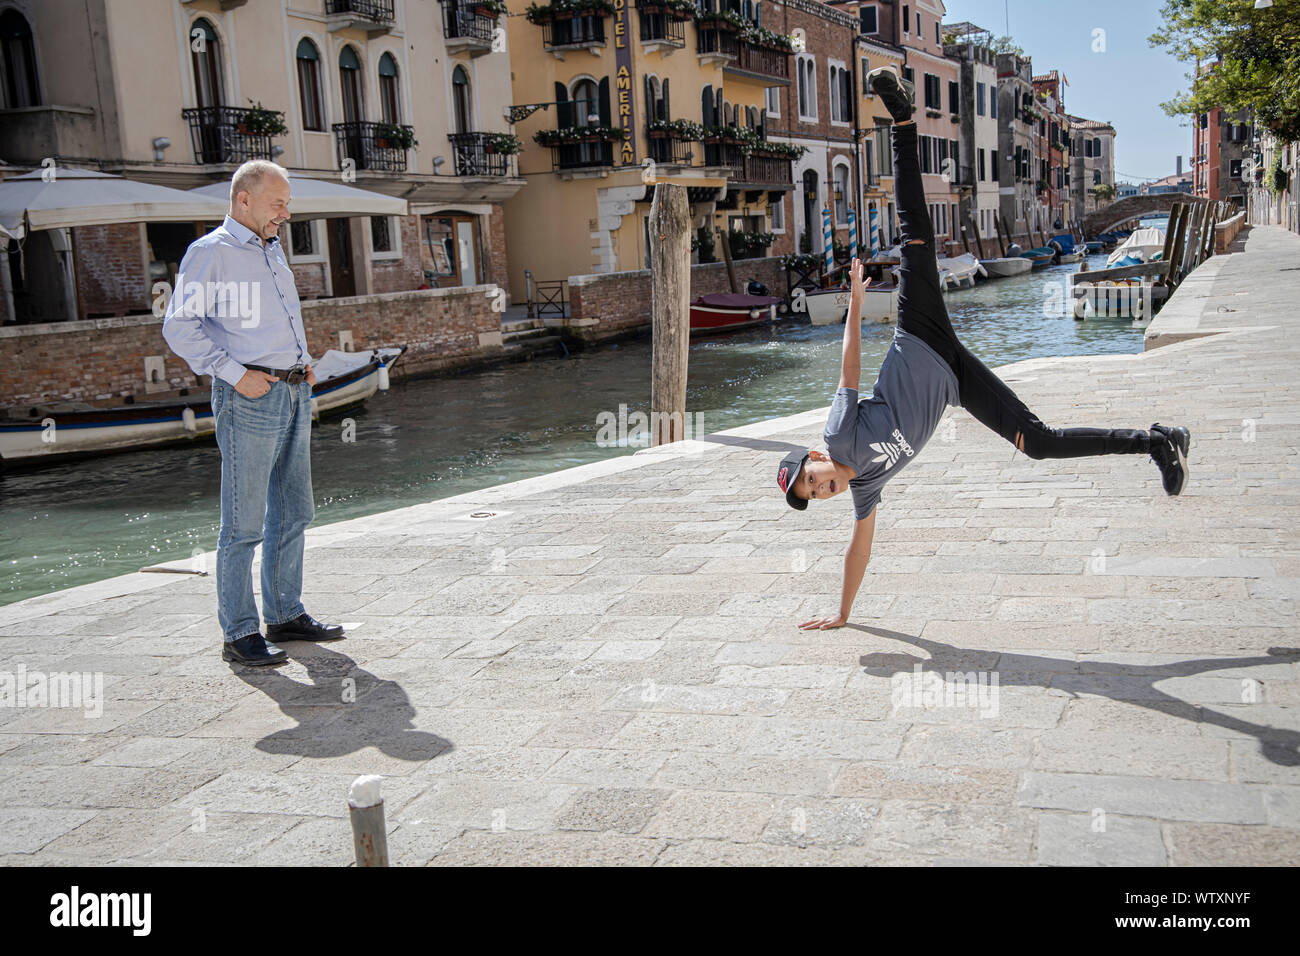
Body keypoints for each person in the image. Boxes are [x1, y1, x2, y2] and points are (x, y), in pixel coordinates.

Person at [778, 68, 1190, 631]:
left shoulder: (837, 434)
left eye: (812, 479)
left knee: (913, 236)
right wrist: (843, 614)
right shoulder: (866, 488)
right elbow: (859, 551)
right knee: (1039, 444)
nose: (821, 488)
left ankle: (901, 119)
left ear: (816, 458)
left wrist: (854, 298)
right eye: (816, 495)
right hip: (955, 380)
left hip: (918, 330)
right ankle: (1156, 442)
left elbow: (849, 368)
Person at [163, 159, 345, 665]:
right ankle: (239, 632)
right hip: (249, 396)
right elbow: (179, 327)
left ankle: (285, 614)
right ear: (243, 199)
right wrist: (233, 373)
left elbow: (279, 319)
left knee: (295, 509)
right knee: (243, 523)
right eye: (278, 203)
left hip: (292, 391)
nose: (286, 213)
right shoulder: (209, 253)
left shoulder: (271, 248)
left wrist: (303, 362)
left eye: (287, 204)